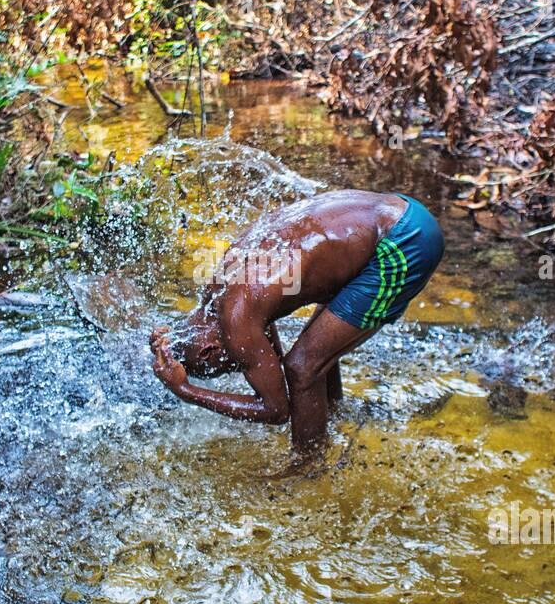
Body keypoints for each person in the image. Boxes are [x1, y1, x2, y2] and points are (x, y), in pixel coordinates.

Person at [149, 189, 444, 449]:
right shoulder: (217, 291)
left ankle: (309, 468)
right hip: (398, 210)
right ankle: (334, 416)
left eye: (228, 367)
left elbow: (277, 411)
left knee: (302, 366)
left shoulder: (235, 321)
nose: (239, 365)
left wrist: (186, 390)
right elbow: (272, 360)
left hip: (405, 243)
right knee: (316, 349)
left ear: (209, 351)